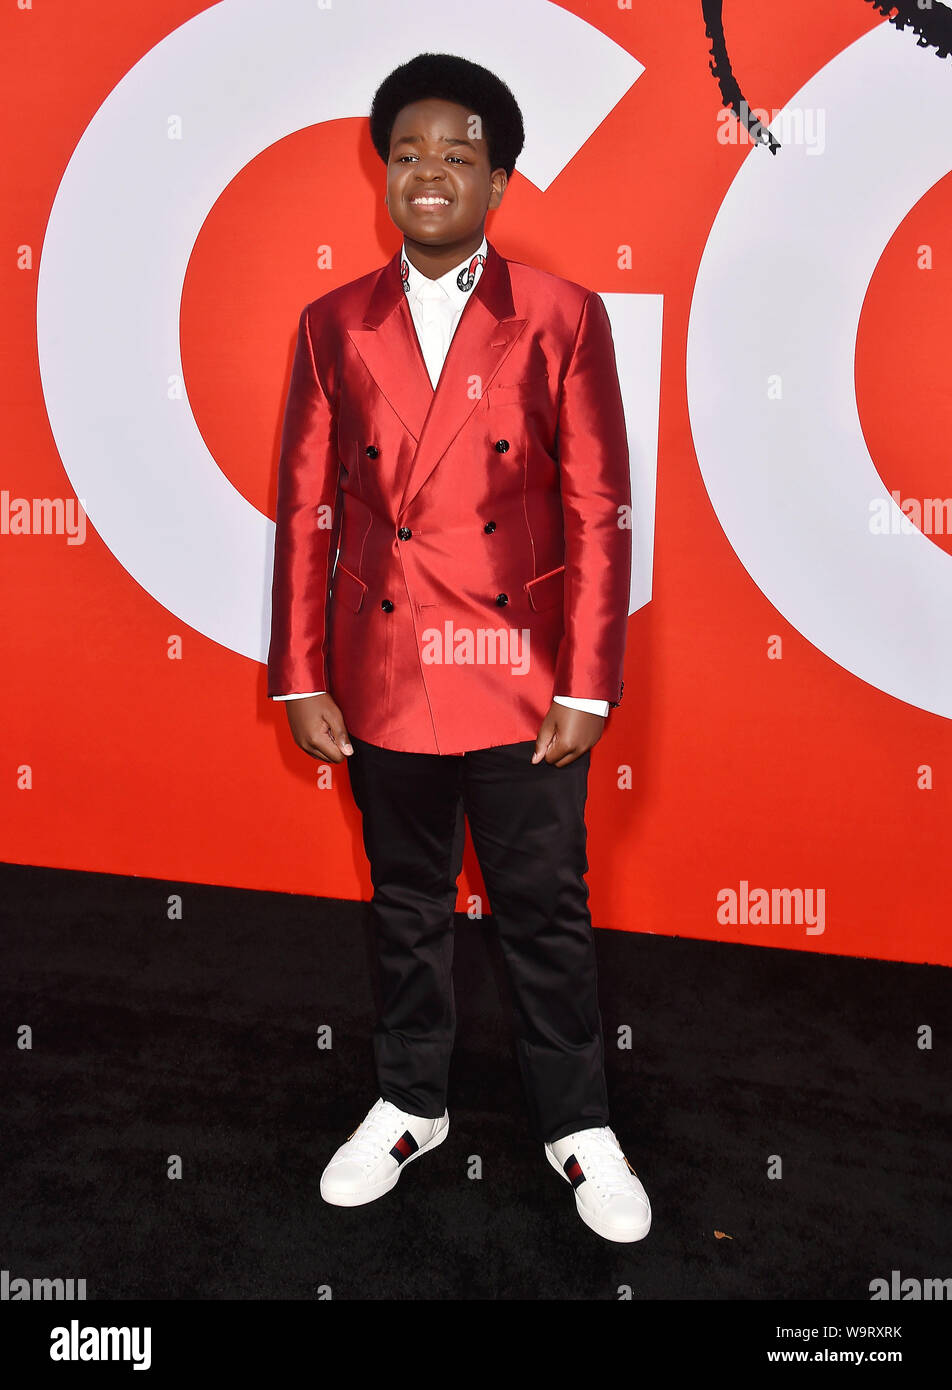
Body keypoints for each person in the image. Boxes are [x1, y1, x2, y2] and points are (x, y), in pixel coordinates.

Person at [267, 52, 649, 1244]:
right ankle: (406, 1101)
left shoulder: (560, 316)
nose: (430, 172)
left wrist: (589, 679)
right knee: (407, 906)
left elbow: (596, 508)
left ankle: (577, 1123)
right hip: (381, 673)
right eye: (409, 151)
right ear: (384, 172)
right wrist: (299, 671)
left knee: (543, 910)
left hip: (524, 674)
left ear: (500, 180)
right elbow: (305, 512)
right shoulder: (333, 323)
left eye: (460, 153)